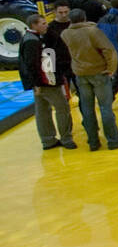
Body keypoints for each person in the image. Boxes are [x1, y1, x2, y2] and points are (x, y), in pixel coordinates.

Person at [62, 10, 118, 151]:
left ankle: (93, 141)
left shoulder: (66, 34)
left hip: (80, 74)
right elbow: (109, 50)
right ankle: (113, 140)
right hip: (99, 72)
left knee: (87, 108)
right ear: (84, 18)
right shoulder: (93, 31)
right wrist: (111, 68)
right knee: (105, 108)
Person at [18, 13, 76, 150]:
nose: (47, 26)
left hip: (40, 82)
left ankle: (47, 140)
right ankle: (66, 138)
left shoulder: (29, 37)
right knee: (62, 108)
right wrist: (37, 83)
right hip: (46, 82)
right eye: (43, 23)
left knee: (43, 110)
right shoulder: (32, 41)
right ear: (34, 25)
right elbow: (32, 65)